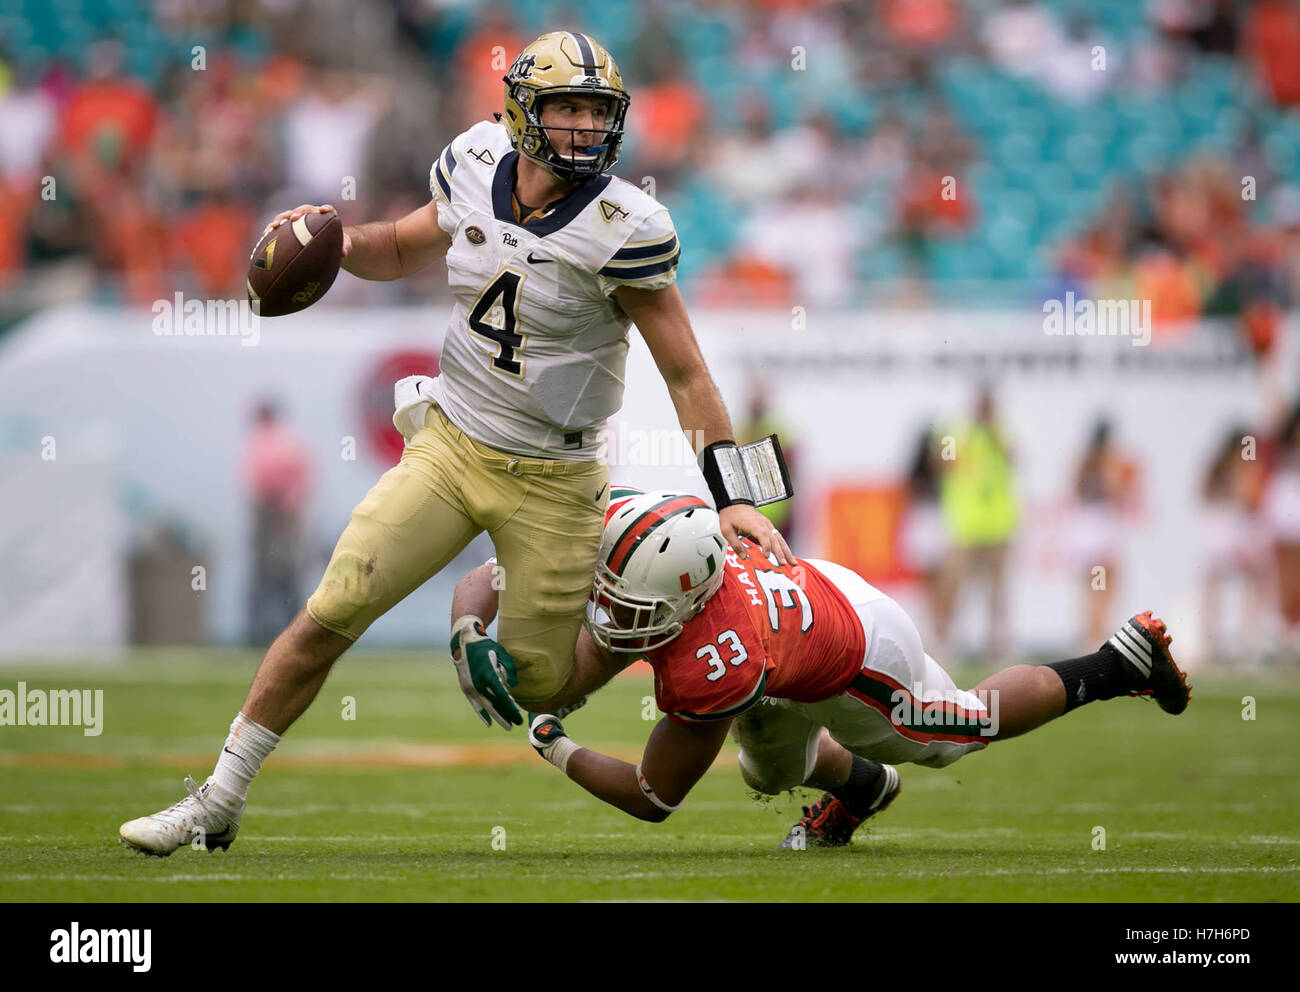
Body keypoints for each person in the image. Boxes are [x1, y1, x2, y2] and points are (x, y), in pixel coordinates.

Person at [118, 32, 789, 856]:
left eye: (596, 111)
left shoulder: (627, 225)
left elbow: (690, 376)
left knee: (539, 685)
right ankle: (217, 797)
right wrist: (332, 247)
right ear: (519, 110)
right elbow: (401, 246)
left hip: (557, 475)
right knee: (334, 609)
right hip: (454, 443)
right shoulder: (475, 159)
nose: (585, 127)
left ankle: (645, 657)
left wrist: (742, 498)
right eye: (567, 108)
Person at [456, 489, 1190, 848]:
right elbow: (496, 574)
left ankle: (1115, 663)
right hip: (795, 613)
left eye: (628, 603)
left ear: (679, 604)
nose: (608, 611)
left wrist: (555, 744)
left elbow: (653, 796)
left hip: (859, 655)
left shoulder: (714, 665)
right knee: (766, 775)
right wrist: (469, 625)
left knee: (958, 732)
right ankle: (863, 787)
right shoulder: (635, 531)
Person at [241, 400, 314, 645]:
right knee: (277, 574)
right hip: (277, 513)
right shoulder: (287, 442)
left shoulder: (270, 443)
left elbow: (256, 482)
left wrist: (286, 507)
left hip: (276, 513)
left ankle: (270, 630)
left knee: (275, 574)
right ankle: (288, 629)